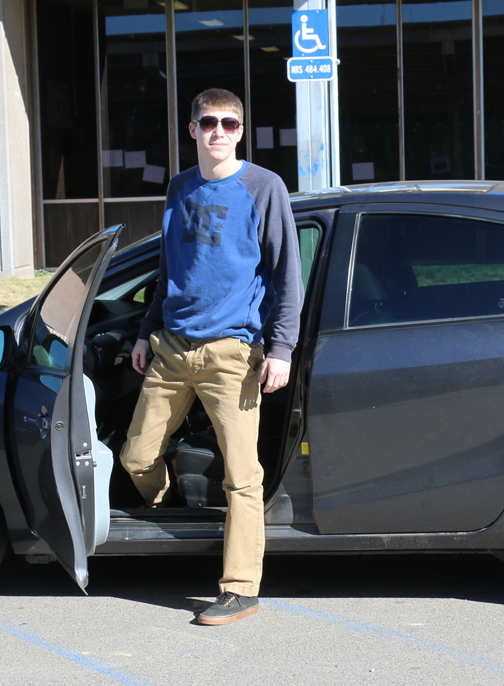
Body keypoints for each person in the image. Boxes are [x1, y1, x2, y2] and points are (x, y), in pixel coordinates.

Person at [119, 88, 303, 626]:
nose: (218, 131)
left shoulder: (263, 187)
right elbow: (168, 269)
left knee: (243, 477)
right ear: (193, 130)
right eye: (208, 122)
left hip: (232, 353)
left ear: (241, 131)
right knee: (136, 456)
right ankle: (169, 512)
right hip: (172, 349)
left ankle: (240, 588)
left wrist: (282, 348)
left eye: (229, 123)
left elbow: (286, 274)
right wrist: (144, 331)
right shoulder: (179, 187)